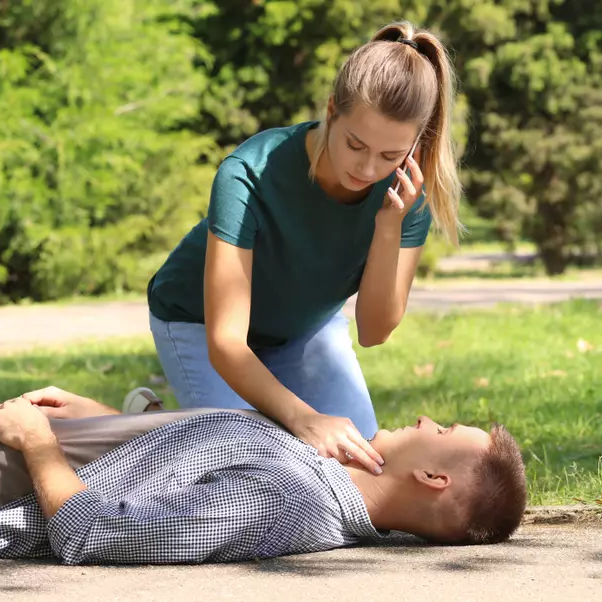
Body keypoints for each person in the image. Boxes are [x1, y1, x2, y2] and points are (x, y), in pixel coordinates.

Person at [144, 21, 462, 464]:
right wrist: (303, 418)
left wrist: (389, 227)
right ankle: (145, 423)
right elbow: (227, 343)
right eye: (355, 144)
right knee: (248, 469)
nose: (369, 169)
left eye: (390, 155)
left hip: (302, 329)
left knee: (362, 469)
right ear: (331, 110)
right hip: (197, 324)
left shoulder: (406, 194)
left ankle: (171, 425)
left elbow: (375, 331)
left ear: (414, 144)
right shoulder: (248, 173)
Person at [0, 387, 527, 565]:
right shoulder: (319, 473)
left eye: (444, 431)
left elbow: (96, 533)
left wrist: (38, 441)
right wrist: (100, 419)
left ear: (432, 477)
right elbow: (170, 471)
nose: (427, 417)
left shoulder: (282, 502)